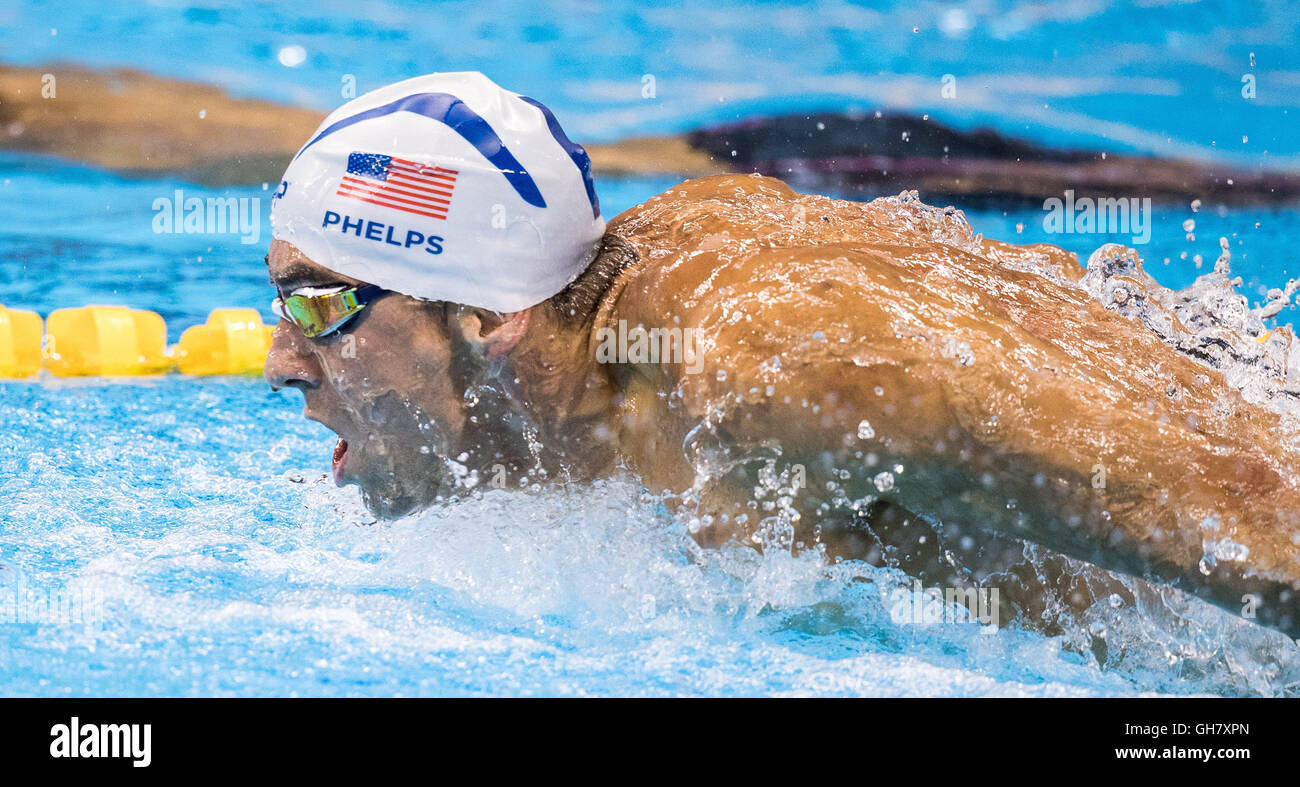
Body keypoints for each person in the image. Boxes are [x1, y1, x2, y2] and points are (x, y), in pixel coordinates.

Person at [265, 72, 1299, 638]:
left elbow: (1255, 504)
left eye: (316, 307)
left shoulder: (775, 368)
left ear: (487, 316)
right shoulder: (595, 350)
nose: (279, 363)